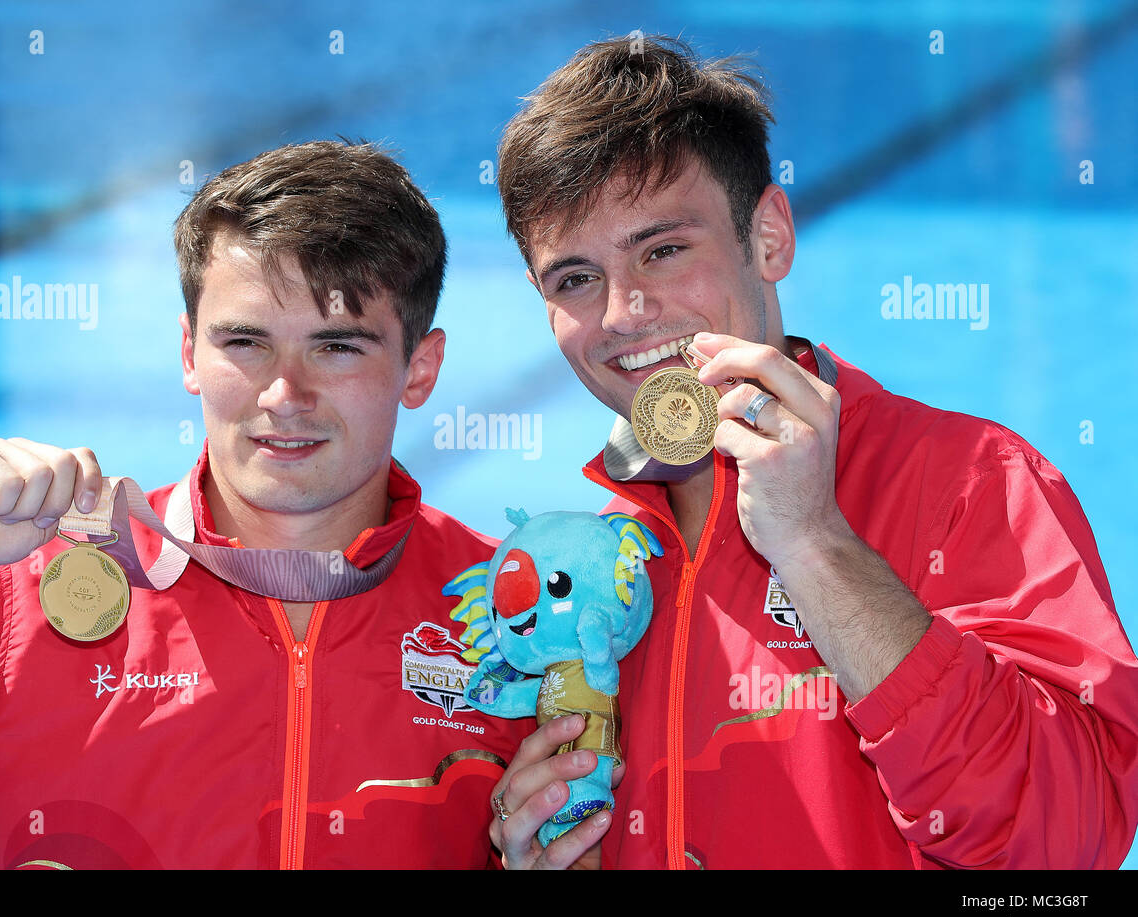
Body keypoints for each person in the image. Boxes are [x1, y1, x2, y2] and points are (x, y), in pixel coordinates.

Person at [485, 36, 1138, 869]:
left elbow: (1064, 844)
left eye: (663, 250)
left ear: (769, 238)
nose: (622, 311)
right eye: (574, 278)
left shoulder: (973, 480)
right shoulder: (583, 573)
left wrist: (815, 544)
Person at [0, 140, 527, 869]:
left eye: (336, 347)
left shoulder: (518, 614)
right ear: (189, 353)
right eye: (245, 342)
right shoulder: (23, 601)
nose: (282, 395)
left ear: (421, 368)